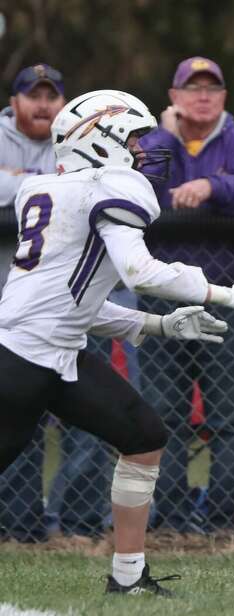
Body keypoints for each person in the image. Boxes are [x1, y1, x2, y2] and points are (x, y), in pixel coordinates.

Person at [0, 89, 234, 595]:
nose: (141, 150)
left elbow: (75, 303)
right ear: (98, 141)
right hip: (20, 362)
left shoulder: (46, 190)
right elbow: (140, 270)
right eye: (131, 138)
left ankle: (128, 575)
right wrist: (226, 293)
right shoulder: (111, 186)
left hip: (53, 351)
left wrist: (157, 326)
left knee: (143, 435)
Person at [137, 56, 234, 536]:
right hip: (161, 297)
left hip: (228, 298)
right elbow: (135, 186)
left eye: (211, 88)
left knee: (229, 415)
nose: (202, 95)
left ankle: (219, 520)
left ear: (224, 98)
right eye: (191, 88)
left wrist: (212, 185)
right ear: (173, 98)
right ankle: (171, 520)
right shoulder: (157, 142)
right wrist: (166, 136)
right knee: (164, 412)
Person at [0, 63, 125, 543]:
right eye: (33, 94)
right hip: (17, 308)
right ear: (14, 102)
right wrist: (41, 180)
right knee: (16, 416)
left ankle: (73, 524)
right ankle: (19, 525)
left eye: (52, 95)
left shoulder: (83, 135)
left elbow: (106, 185)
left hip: (73, 299)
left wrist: (23, 178)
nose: (43, 104)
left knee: (88, 418)